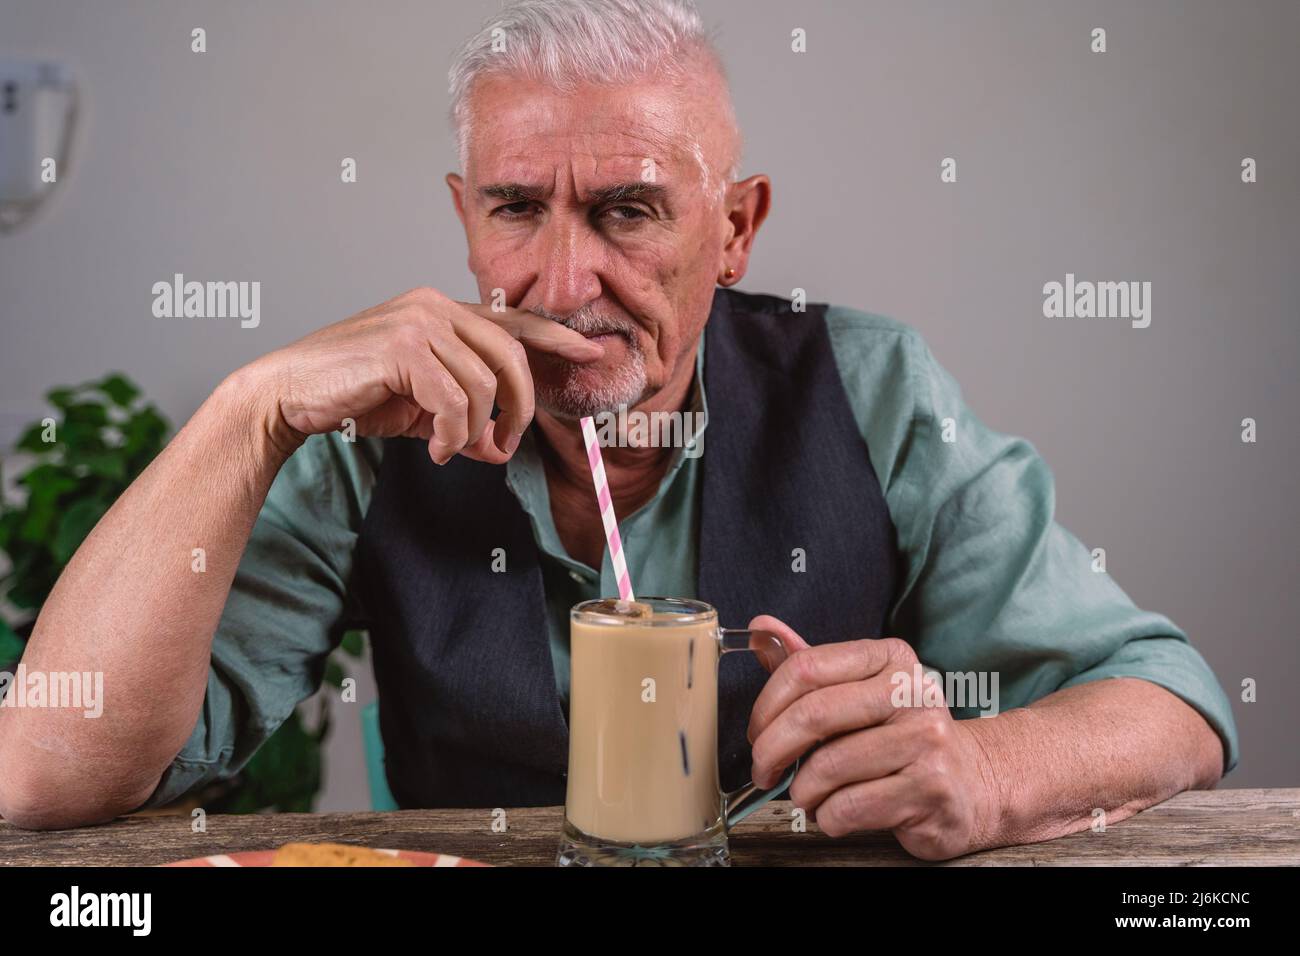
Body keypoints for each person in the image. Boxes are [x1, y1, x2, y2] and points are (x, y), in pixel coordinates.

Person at [0, 0, 1236, 861]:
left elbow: (1172, 701)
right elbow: (41, 774)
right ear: (463, 217)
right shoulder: (359, 432)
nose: (562, 279)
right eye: (516, 209)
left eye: (628, 210)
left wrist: (987, 771)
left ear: (736, 227)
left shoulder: (870, 387)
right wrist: (247, 405)